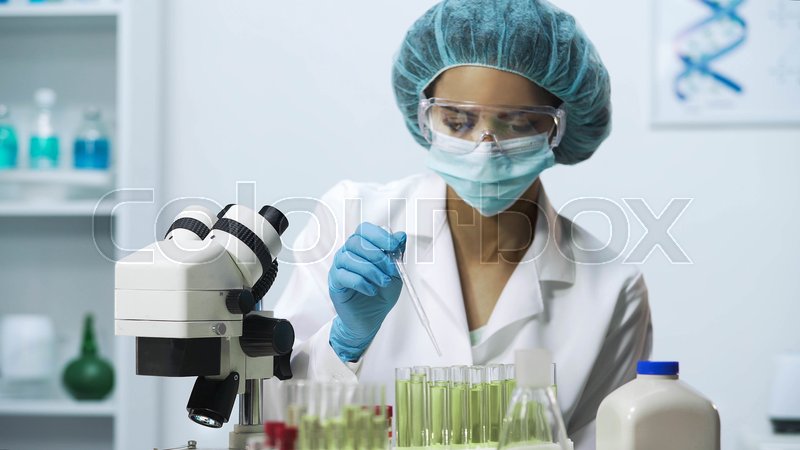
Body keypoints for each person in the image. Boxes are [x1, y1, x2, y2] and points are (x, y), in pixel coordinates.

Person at [272, 0, 652, 448]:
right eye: (457, 121)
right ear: (426, 118)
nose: (483, 147)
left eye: (518, 123)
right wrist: (344, 344)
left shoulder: (613, 289)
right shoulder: (352, 215)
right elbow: (276, 423)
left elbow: (610, 440)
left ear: (559, 129)